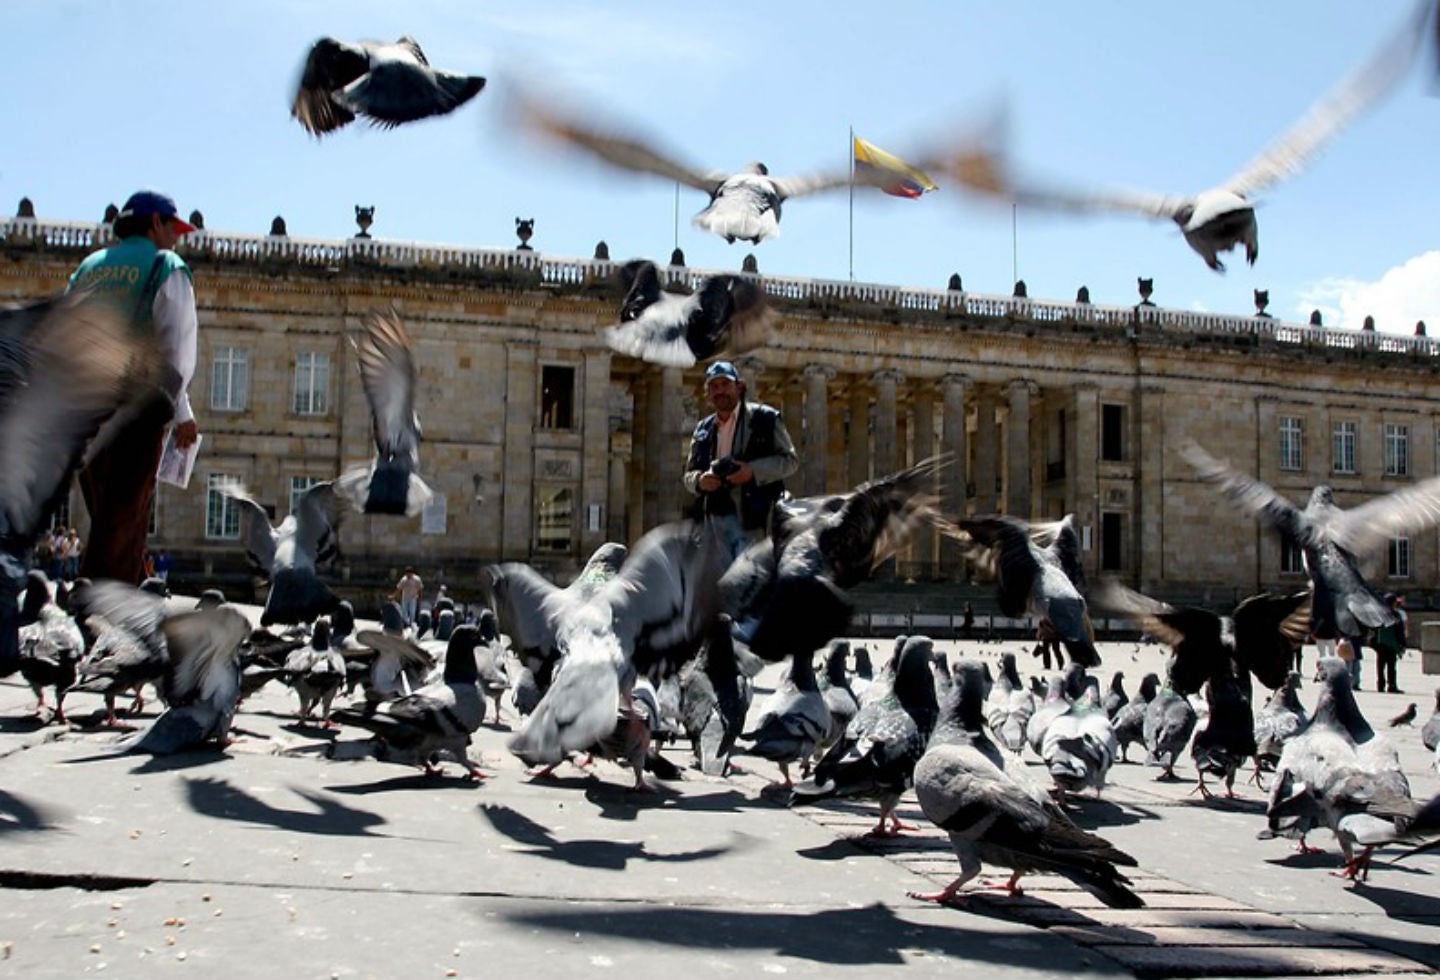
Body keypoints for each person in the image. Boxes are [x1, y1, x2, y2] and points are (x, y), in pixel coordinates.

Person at [69, 190, 200, 585]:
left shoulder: (88, 267)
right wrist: (183, 416)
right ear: (154, 223)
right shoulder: (166, 266)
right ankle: (102, 610)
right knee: (123, 522)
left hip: (82, 412)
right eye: (173, 228)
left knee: (108, 517)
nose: (177, 238)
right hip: (135, 411)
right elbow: (177, 354)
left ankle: (107, 600)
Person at [682, 360, 798, 559]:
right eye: (714, 386)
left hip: (756, 518)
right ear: (708, 393)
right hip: (715, 520)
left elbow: (790, 461)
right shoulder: (703, 428)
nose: (720, 391)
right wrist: (700, 481)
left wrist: (753, 471)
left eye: (725, 384)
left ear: (739, 387)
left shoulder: (765, 418)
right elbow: (688, 476)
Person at [1371, 593, 1406, 694]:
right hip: (1391, 644)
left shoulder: (1378, 614)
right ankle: (1392, 685)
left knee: (1380, 665)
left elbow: (1373, 628)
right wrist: (1402, 644)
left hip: (1380, 643)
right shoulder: (1396, 615)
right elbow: (1399, 631)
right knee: (1391, 666)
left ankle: (1380, 685)